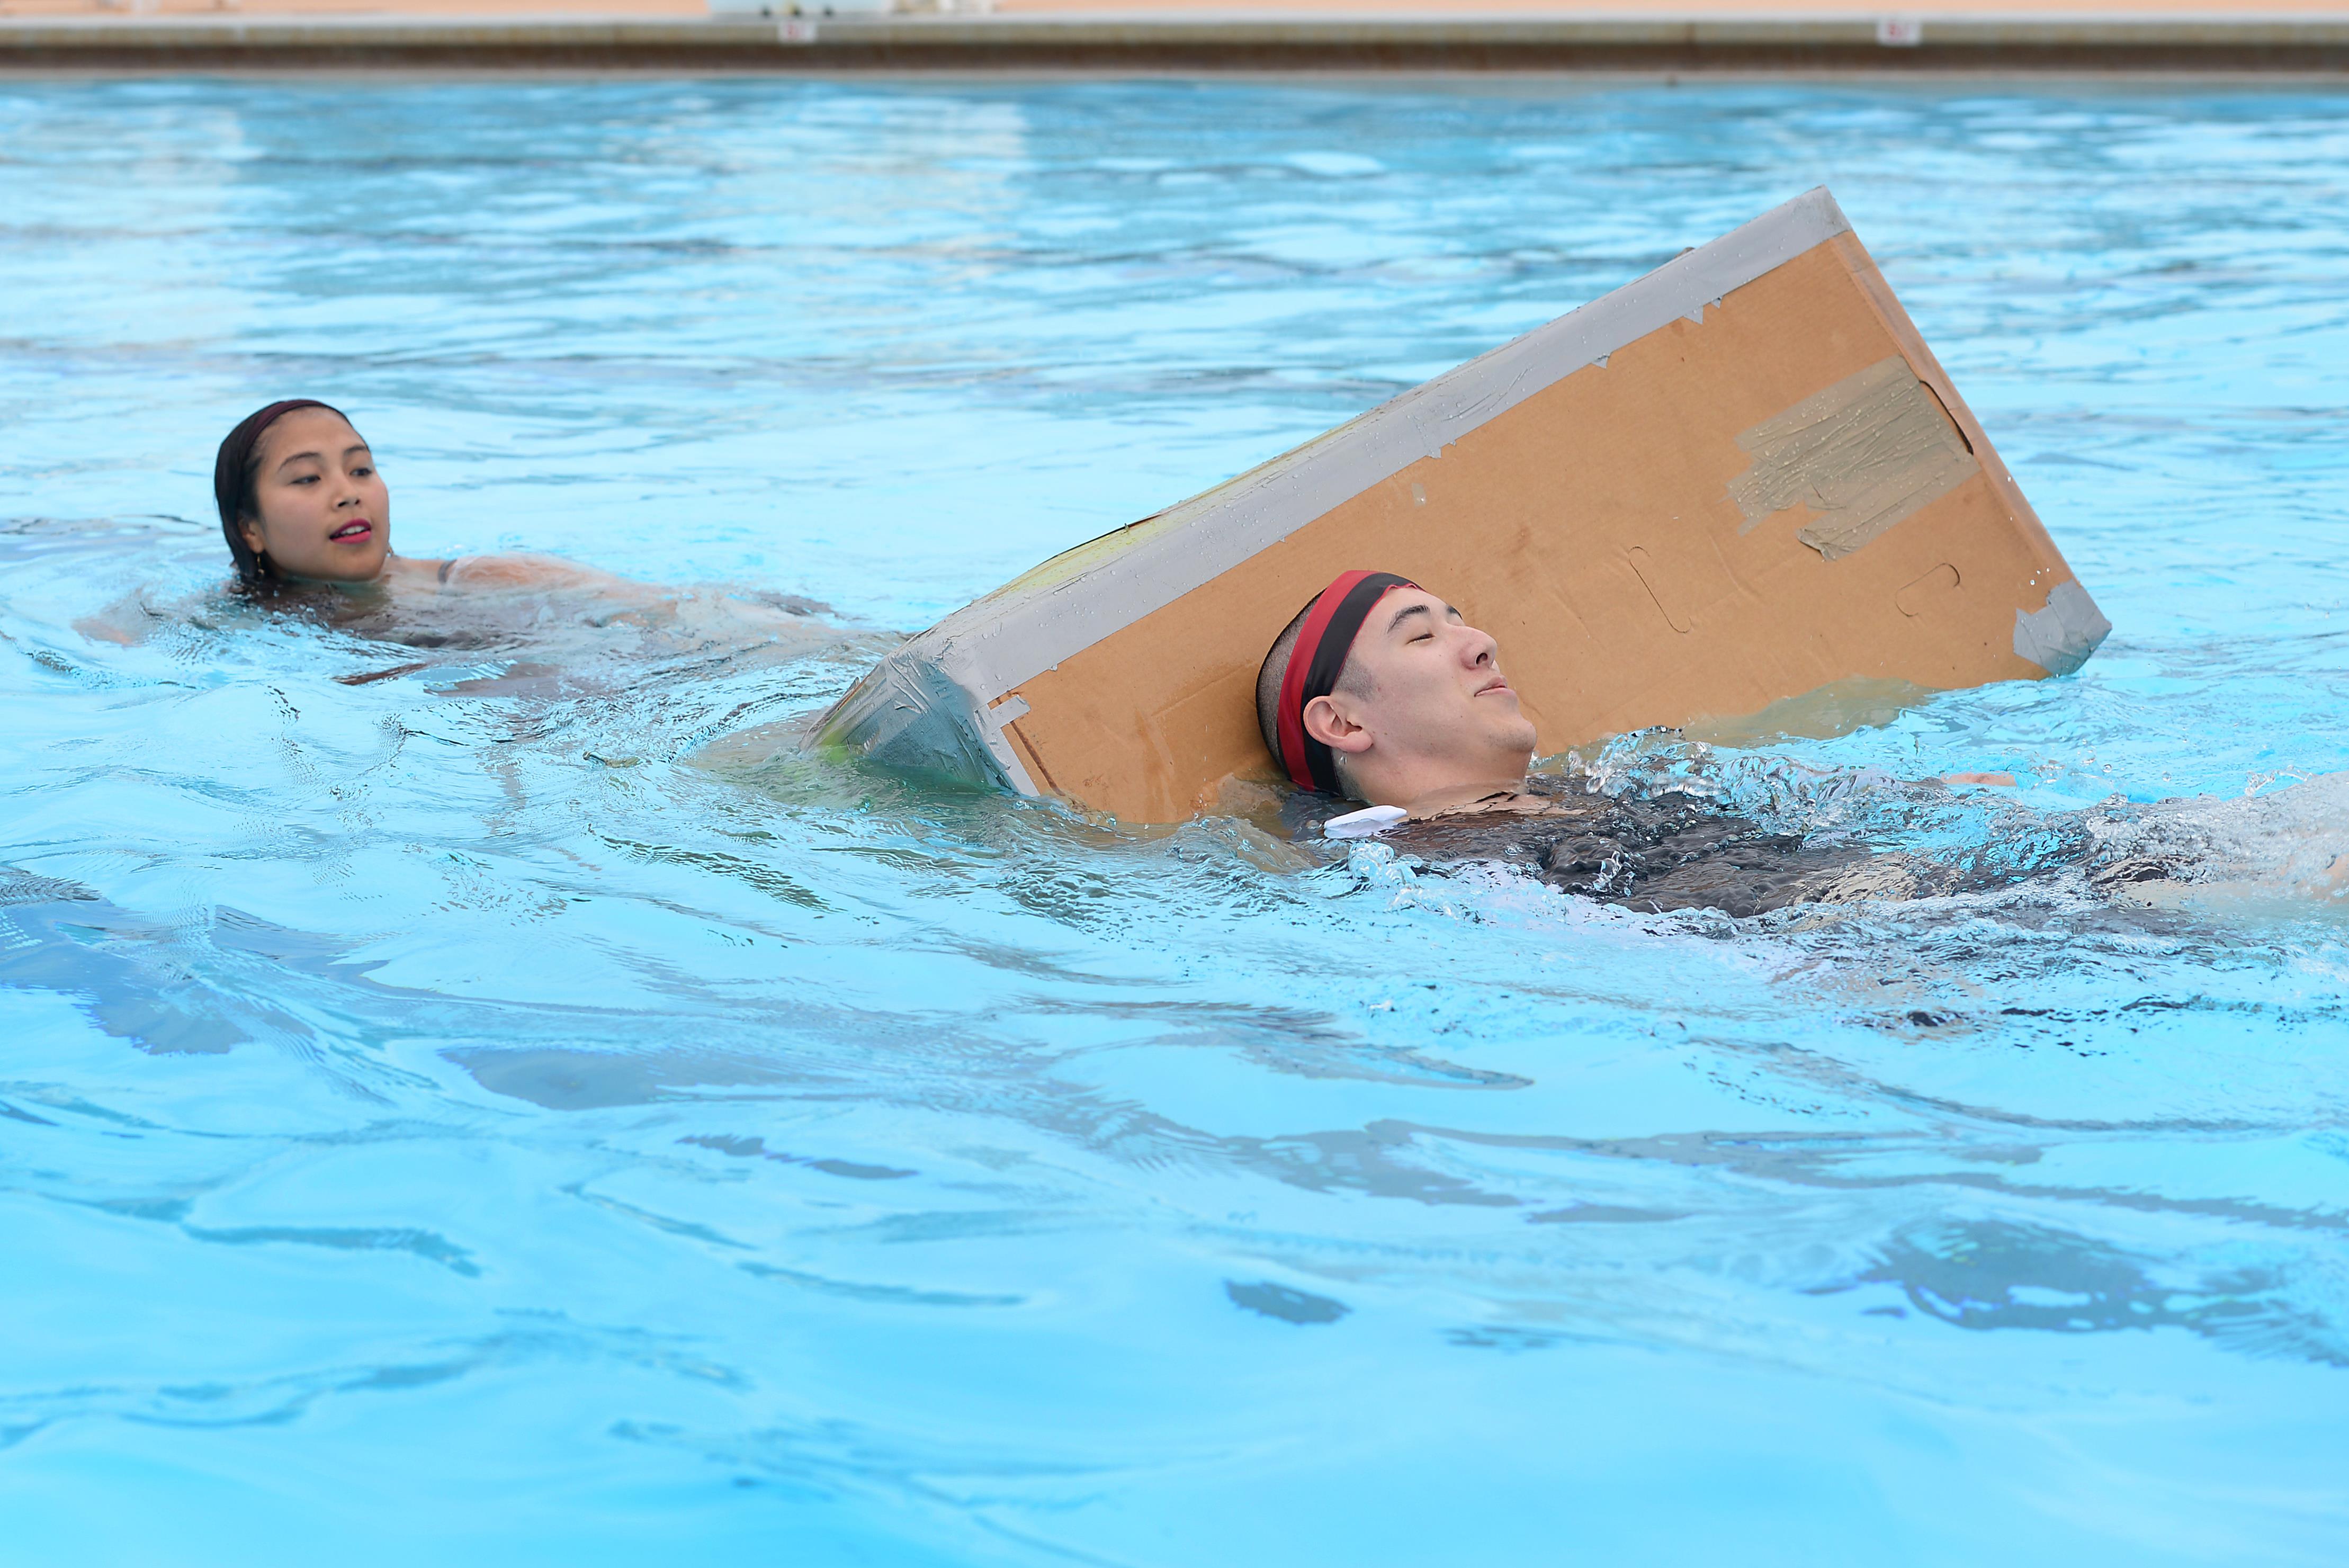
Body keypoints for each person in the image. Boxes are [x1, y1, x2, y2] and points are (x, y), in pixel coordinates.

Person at [1254, 569, 1948, 916]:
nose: (1483, 642)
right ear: (1342, 724)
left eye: (1462, 621)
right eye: (1422, 636)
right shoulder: (1431, 880)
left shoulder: (1604, 784)